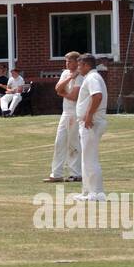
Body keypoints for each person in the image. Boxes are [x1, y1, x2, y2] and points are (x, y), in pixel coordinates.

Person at [73, 54, 108, 201]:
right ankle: (87, 192)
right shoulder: (90, 78)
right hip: (87, 122)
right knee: (85, 158)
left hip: (92, 122)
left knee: (90, 158)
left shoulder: (93, 78)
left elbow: (97, 96)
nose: (78, 68)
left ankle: (97, 193)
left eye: (80, 65)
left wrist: (88, 115)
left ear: (87, 65)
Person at [46, 52, 82, 183]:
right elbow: (57, 88)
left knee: (73, 143)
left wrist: (62, 93)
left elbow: (74, 96)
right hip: (65, 112)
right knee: (59, 142)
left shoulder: (81, 76)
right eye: (66, 61)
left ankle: (76, 173)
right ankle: (56, 174)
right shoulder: (66, 73)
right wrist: (68, 78)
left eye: (70, 61)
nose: (67, 64)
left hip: (76, 113)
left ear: (76, 62)